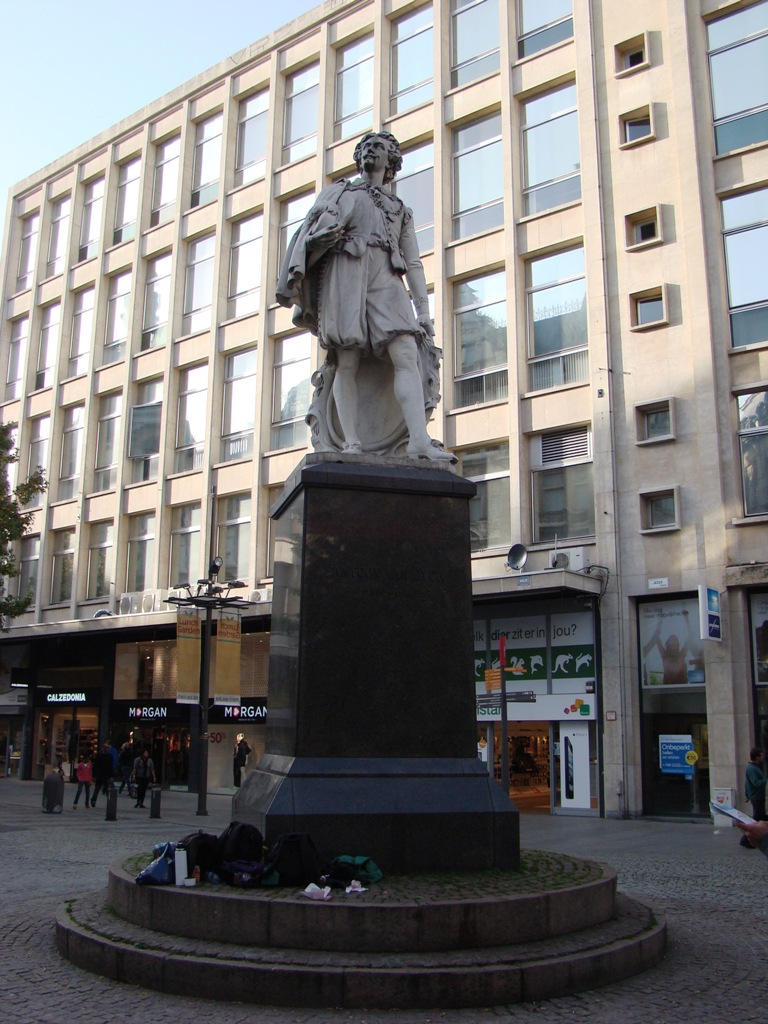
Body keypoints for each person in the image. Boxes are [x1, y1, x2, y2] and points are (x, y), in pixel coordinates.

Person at [276, 130, 455, 463]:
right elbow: (307, 237)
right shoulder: (339, 193)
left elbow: (413, 262)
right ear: (358, 158)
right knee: (347, 359)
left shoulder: (400, 209)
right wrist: (316, 242)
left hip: (386, 277)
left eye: (379, 147)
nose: (371, 150)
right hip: (346, 273)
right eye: (366, 147)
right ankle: (351, 442)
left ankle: (418, 440)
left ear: (391, 162)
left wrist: (423, 310)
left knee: (406, 351)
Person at [740, 746, 767, 847]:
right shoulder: (752, 769)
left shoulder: (754, 767)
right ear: (757, 757)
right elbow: (755, 783)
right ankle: (745, 840)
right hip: (757, 797)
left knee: (759, 818)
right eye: (761, 755)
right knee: (757, 819)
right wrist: (766, 780)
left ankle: (748, 840)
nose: (763, 757)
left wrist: (747, 794)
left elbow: (747, 783)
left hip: (757, 796)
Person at [90, 743, 115, 808]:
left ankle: (110, 802)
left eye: (107, 748)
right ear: (103, 748)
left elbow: (111, 766)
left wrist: (111, 775)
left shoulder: (110, 756)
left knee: (107, 789)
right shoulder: (99, 756)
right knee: (97, 789)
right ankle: (93, 800)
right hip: (100, 775)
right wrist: (95, 775)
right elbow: (96, 766)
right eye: (105, 748)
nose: (107, 749)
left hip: (107, 775)